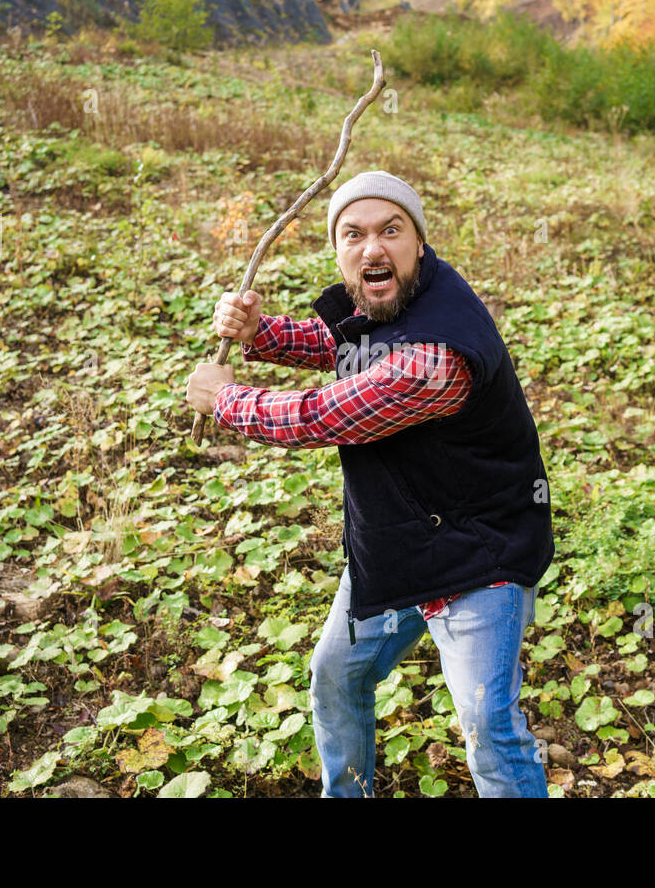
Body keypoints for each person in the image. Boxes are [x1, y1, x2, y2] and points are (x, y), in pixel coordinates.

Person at [185, 170, 555, 797]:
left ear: (418, 241)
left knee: (488, 727)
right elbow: (348, 345)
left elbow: (326, 415)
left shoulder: (437, 354)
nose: (372, 249)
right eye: (352, 235)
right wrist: (261, 335)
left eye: (390, 230)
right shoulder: (401, 298)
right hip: (402, 545)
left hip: (478, 559)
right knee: (335, 677)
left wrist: (227, 401)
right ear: (337, 250)